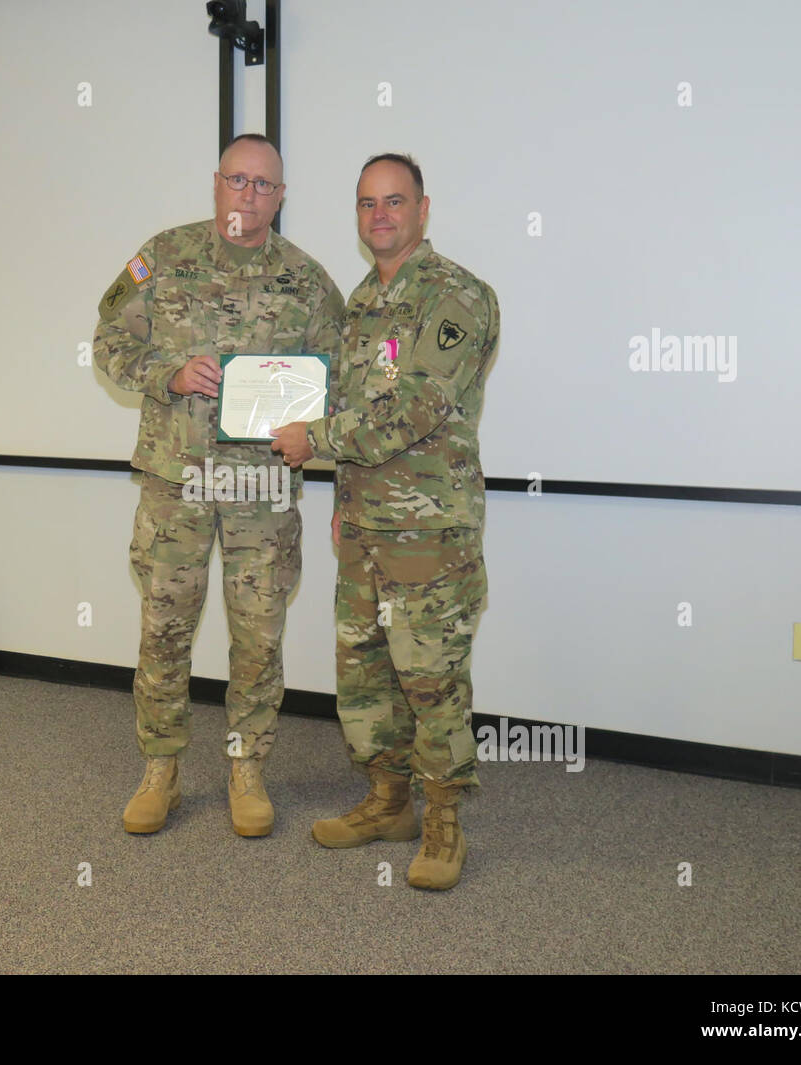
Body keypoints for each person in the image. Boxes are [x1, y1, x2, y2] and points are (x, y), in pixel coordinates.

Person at [94, 133, 344, 837]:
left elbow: (342, 380)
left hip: (262, 490)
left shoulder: (309, 281)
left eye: (265, 185)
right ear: (216, 183)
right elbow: (108, 342)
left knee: (258, 636)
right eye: (239, 180)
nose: (249, 195)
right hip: (176, 484)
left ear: (281, 195)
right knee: (165, 629)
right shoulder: (163, 257)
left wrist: (314, 428)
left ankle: (246, 766)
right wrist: (166, 375)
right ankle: (161, 768)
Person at [271, 153, 499, 889]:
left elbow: (413, 412)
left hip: (431, 538)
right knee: (365, 677)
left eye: (394, 202)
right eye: (367, 204)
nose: (381, 216)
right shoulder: (363, 300)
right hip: (365, 529)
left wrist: (318, 442)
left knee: (431, 680)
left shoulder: (457, 297)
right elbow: (344, 403)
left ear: (423, 209)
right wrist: (341, 504)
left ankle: (443, 822)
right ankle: (388, 800)